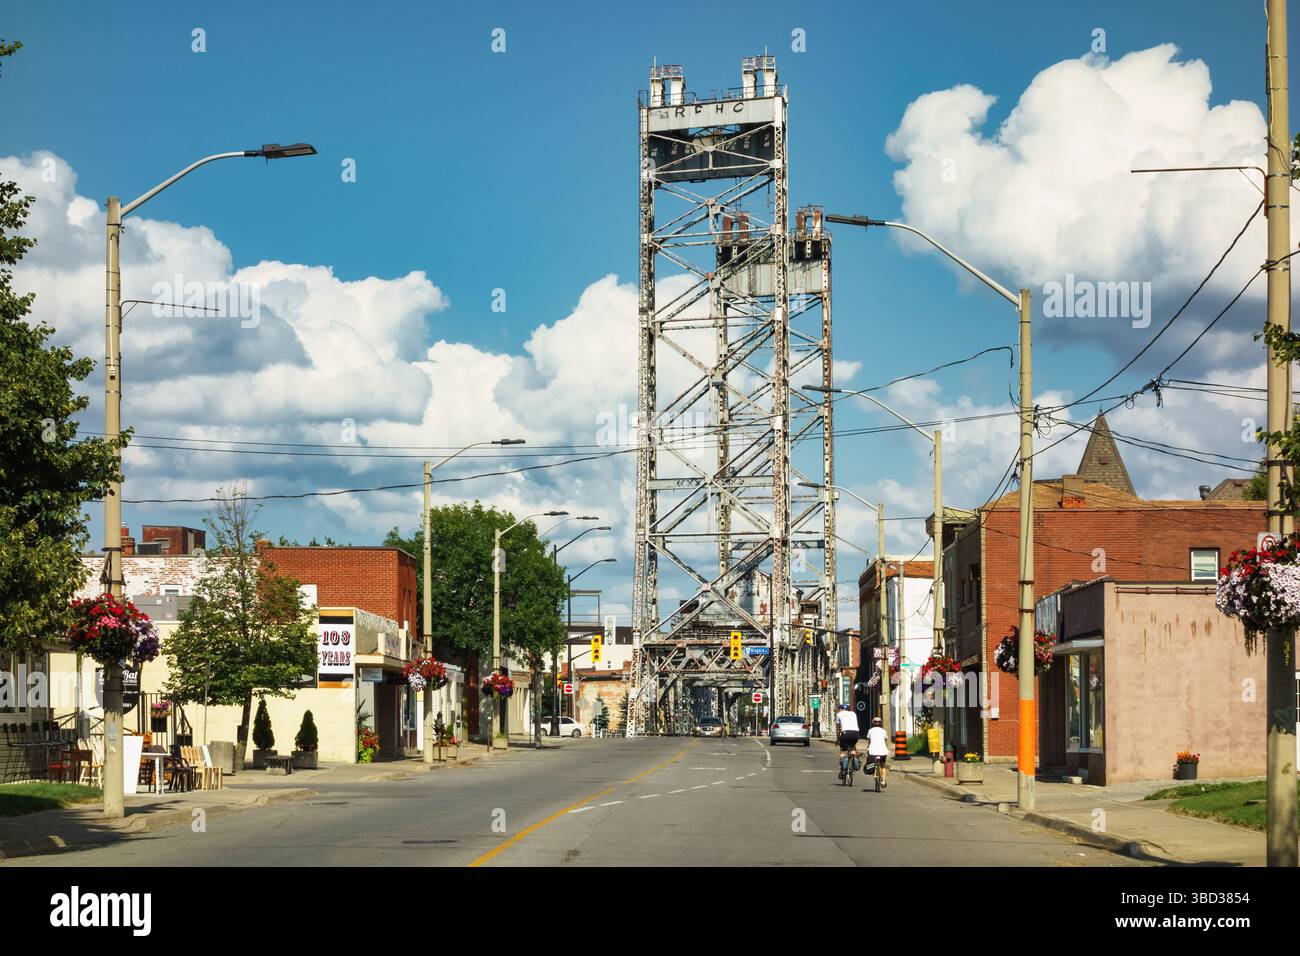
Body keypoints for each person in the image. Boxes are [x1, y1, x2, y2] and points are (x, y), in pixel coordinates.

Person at [864, 715, 890, 785]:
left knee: (872, 764)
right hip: (882, 751)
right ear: (881, 723)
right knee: (883, 766)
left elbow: (869, 741)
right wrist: (886, 747)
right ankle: (883, 781)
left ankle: (875, 775)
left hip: (872, 751)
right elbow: (885, 741)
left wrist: (868, 747)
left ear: (873, 723)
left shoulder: (870, 730)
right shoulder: (884, 731)